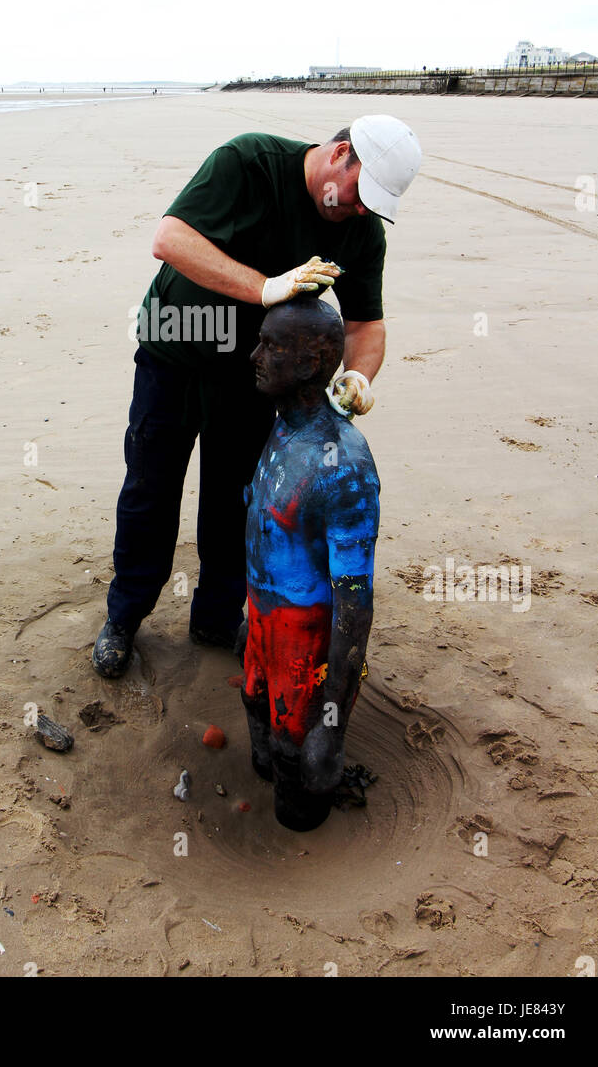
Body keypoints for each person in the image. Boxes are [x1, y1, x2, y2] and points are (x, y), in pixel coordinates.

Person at [92, 115, 420, 679]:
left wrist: (360, 377)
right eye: (360, 193)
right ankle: (125, 616)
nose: (360, 209)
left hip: (253, 374)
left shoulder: (363, 230)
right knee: (150, 487)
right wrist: (265, 288)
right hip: (176, 344)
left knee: (233, 499)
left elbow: (367, 324)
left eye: (374, 204)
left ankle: (217, 619)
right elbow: (170, 239)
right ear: (340, 154)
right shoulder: (248, 162)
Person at [242, 296, 379, 831]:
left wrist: (332, 722)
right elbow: (263, 527)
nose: (255, 354)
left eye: (271, 346)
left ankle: (308, 804)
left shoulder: (344, 466)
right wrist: (249, 615)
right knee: (258, 718)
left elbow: (354, 606)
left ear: (307, 364)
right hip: (264, 619)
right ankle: (281, 762)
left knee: (296, 775)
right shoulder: (283, 429)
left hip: (304, 636)